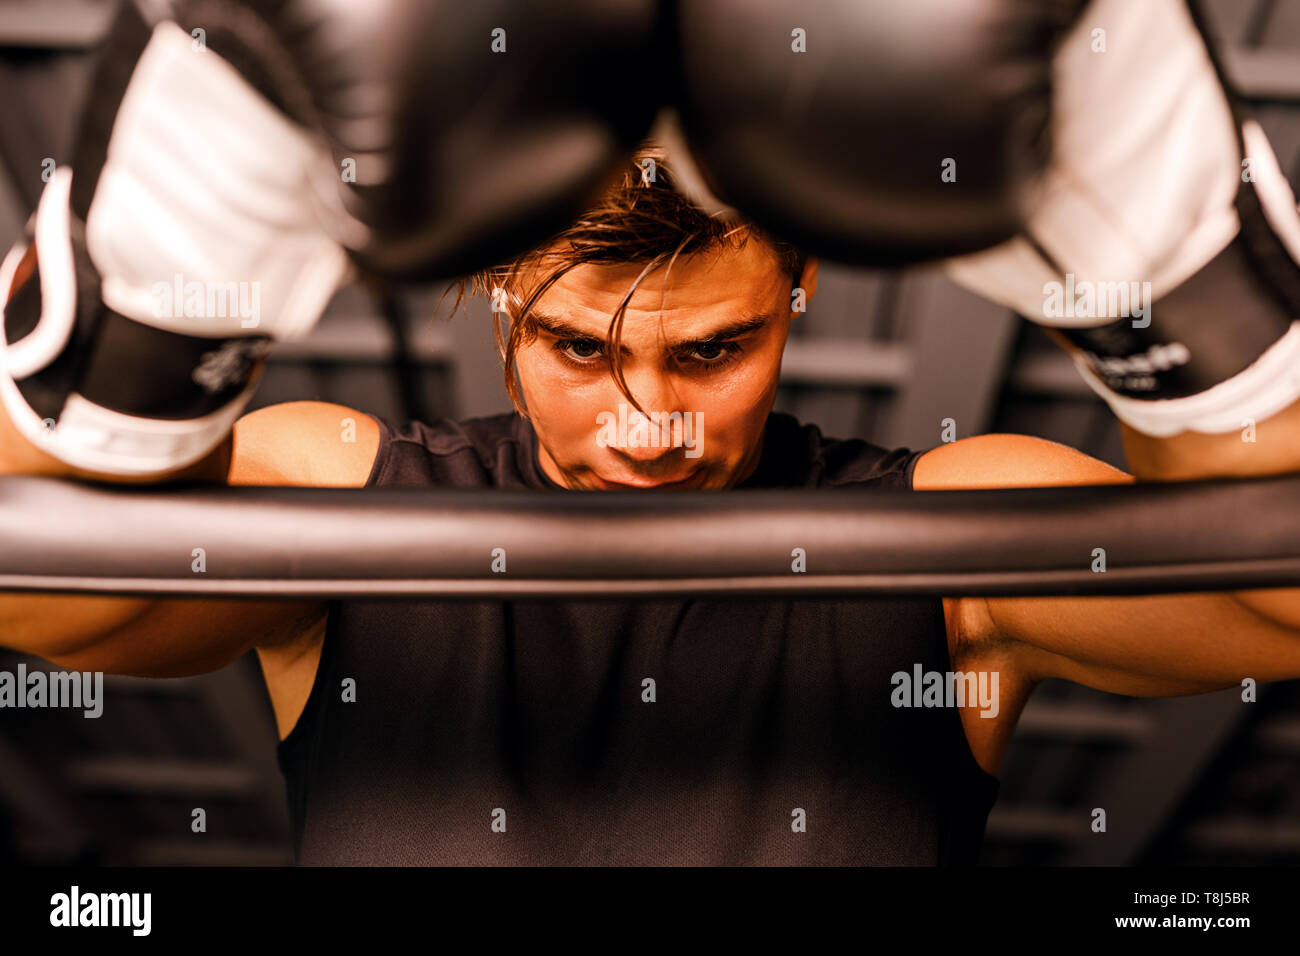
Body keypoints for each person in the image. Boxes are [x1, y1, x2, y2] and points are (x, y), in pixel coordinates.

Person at [5, 142, 1300, 864]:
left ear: (796, 290)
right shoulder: (351, 503)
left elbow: (1275, 608)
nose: (645, 424)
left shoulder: (944, 541)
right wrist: (157, 284)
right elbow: (41, 599)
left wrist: (1166, 275)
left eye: (710, 350)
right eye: (579, 349)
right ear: (502, 300)